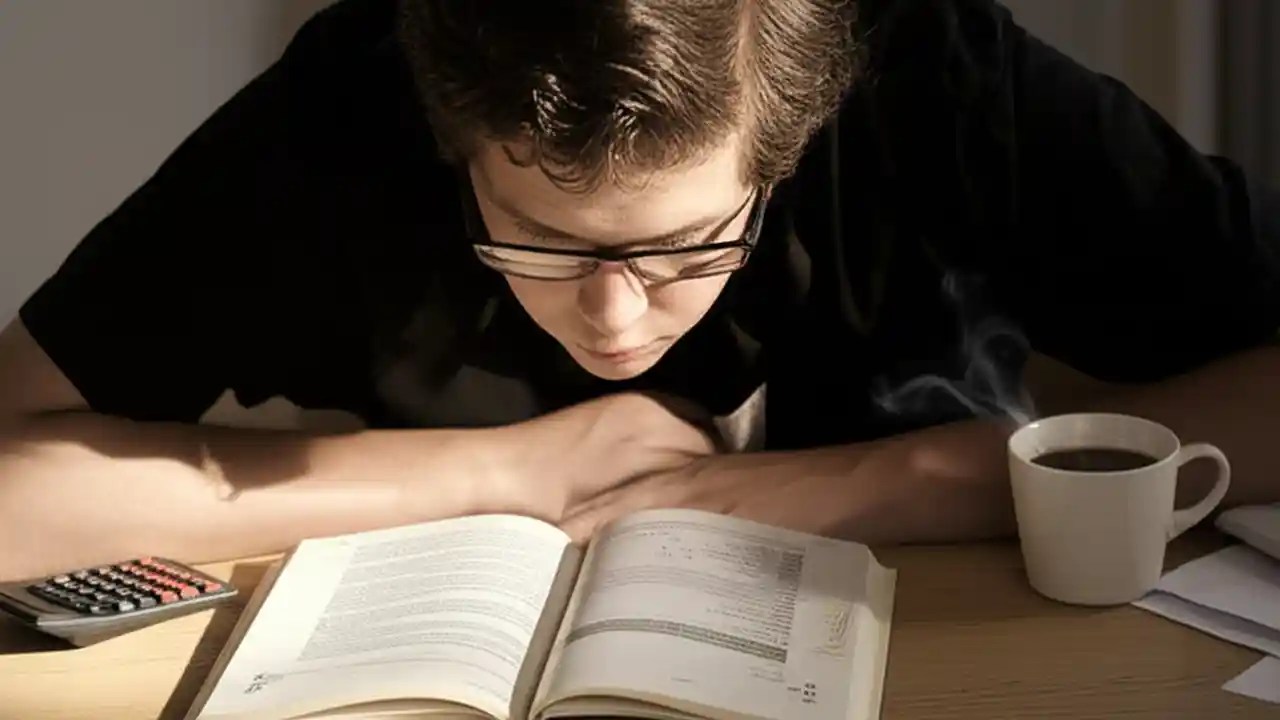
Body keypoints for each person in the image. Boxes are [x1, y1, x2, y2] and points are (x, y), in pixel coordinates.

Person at [1, 0, 1277, 582]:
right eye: (541, 243)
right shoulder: (348, 104)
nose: (616, 318)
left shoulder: (929, 71)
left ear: (787, 147)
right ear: (454, 139)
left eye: (685, 249)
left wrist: (872, 483)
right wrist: (511, 471)